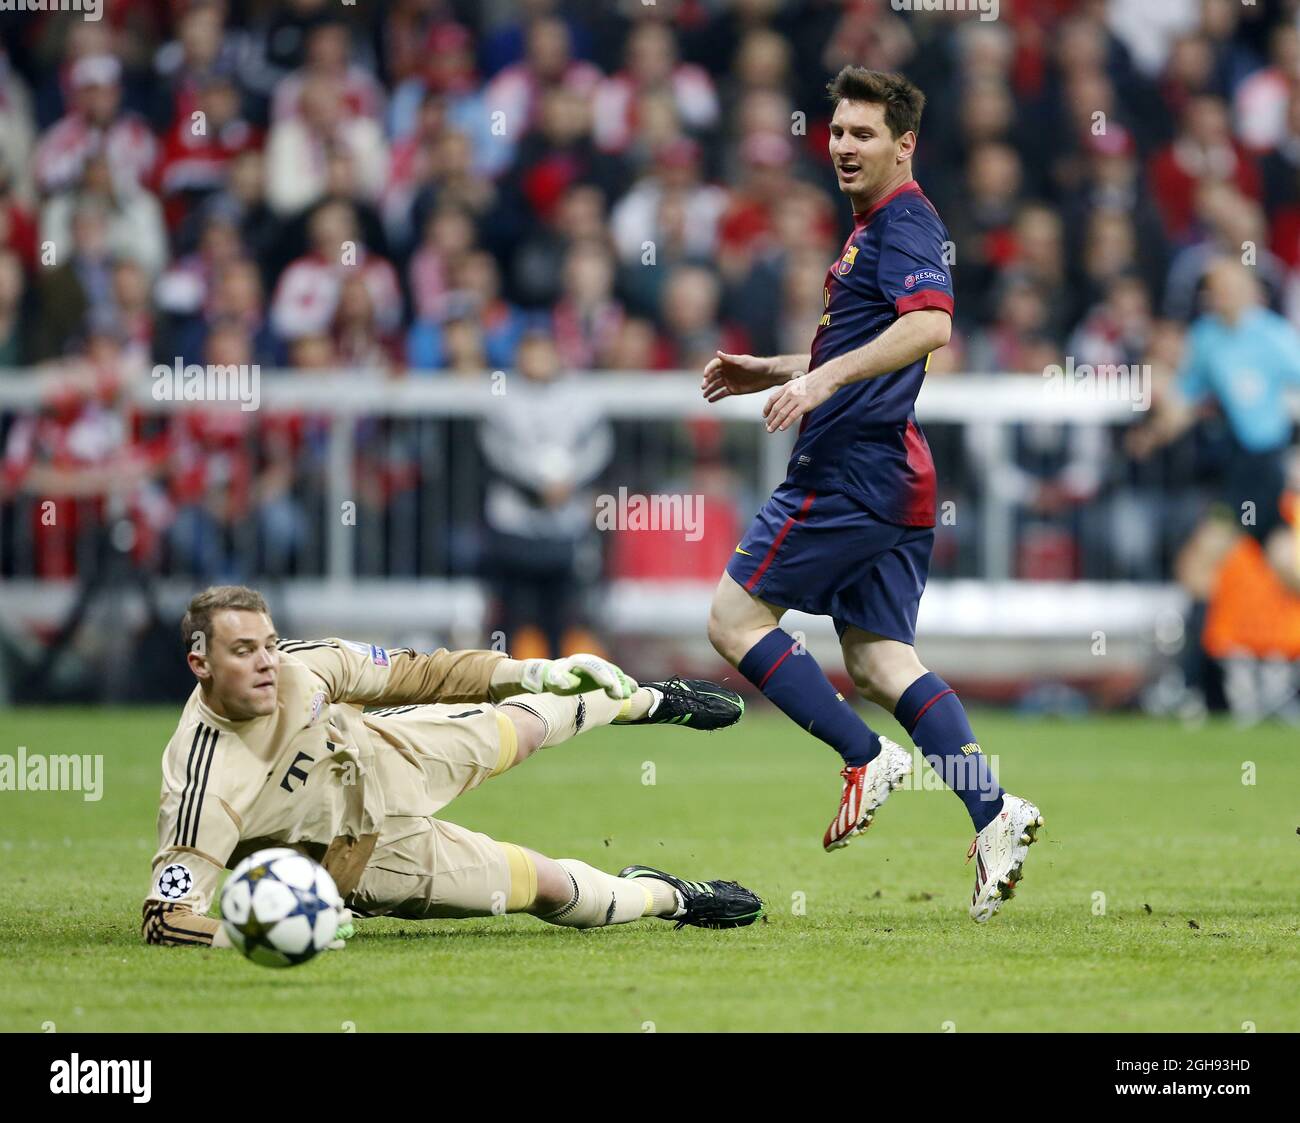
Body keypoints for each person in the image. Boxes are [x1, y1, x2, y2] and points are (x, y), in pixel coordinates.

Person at [701, 67, 1042, 924]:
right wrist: (778, 370)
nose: (845, 146)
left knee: (734, 621)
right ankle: (994, 811)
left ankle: (865, 755)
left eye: (863, 134)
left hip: (850, 468)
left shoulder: (908, 220)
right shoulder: (869, 230)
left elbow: (930, 326)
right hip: (894, 470)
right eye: (838, 131)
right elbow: (867, 340)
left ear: (904, 145)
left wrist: (816, 389)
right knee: (880, 660)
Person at [142, 586, 758, 947]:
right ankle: (668, 897)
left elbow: (421, 673)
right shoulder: (203, 783)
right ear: (201, 664)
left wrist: (531, 670)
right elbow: (168, 919)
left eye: (269, 645)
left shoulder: (308, 666)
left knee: (523, 725)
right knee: (547, 888)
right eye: (243, 651)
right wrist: (263, 931)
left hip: (387, 755)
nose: (267, 662)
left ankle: (643, 699)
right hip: (366, 860)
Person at [1128, 257, 1300, 706]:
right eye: (1214, 288)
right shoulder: (1207, 339)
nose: (1220, 295)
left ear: (1248, 289)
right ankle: (1201, 687)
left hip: (1262, 467)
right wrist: (1151, 436)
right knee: (1285, 566)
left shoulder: (1272, 336)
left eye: (1228, 286)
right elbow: (1186, 398)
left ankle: (1194, 687)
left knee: (1199, 565)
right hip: (1240, 468)